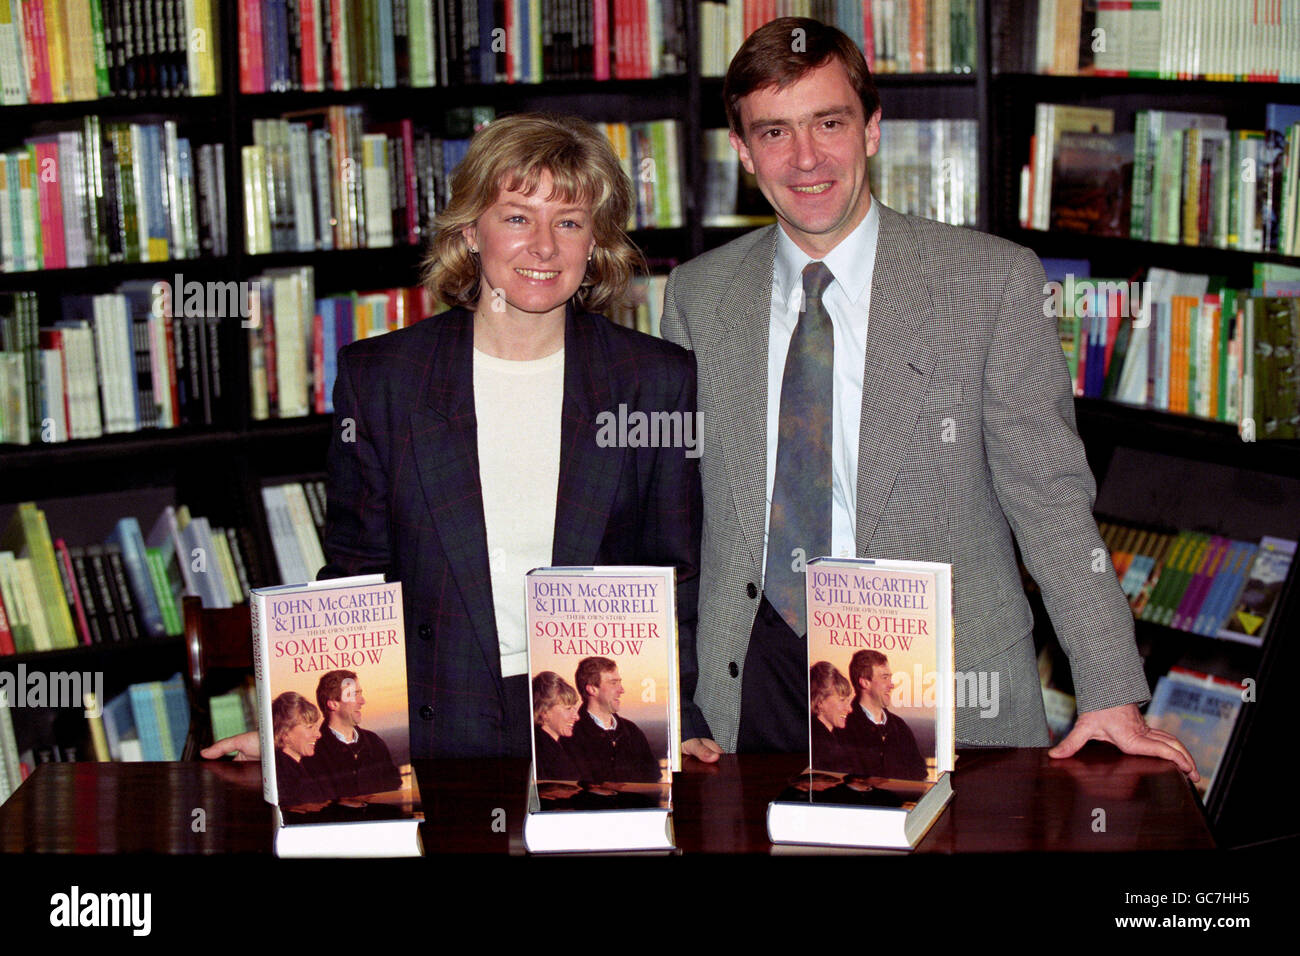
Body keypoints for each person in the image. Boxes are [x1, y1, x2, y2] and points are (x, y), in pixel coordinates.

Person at [664, 17, 1197, 781]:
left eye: (830, 123)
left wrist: (1110, 688)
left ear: (873, 130)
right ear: (745, 152)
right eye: (775, 132)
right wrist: (672, 697)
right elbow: (678, 516)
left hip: (945, 677)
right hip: (754, 681)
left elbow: (1048, 498)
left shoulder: (990, 282)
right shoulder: (697, 293)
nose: (807, 158)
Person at [205, 114, 706, 765]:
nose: (544, 247)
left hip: (600, 727)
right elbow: (357, 575)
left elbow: (675, 573)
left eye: (570, 221)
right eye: (518, 217)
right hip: (433, 726)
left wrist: (682, 714)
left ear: (596, 243)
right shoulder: (383, 378)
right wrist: (297, 727)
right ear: (471, 230)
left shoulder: (655, 380)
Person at [567, 657, 662, 783]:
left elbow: (654, 781)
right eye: (613, 683)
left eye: (619, 682)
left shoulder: (632, 731)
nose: (622, 690)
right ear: (592, 689)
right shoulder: (570, 736)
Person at [309, 670, 402, 797]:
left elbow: (395, 791)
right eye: (354, 694)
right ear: (333, 704)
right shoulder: (313, 753)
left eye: (360, 694)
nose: (362, 701)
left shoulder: (374, 742)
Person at [841, 651, 926, 780]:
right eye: (885, 677)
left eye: (890, 678)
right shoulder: (844, 728)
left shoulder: (900, 726)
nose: (892, 685)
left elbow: (920, 774)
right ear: (865, 683)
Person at [271, 692, 331, 808]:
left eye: (316, 727)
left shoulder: (305, 767)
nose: (318, 734)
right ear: (284, 733)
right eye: (309, 727)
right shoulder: (285, 780)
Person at [532, 670, 586, 780]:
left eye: (574, 708)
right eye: (568, 709)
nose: (577, 716)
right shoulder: (537, 755)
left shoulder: (569, 746)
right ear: (544, 712)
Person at [808, 661, 854, 772]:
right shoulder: (818, 745)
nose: (849, 709)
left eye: (848, 701)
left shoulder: (838, 738)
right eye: (842, 700)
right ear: (820, 701)